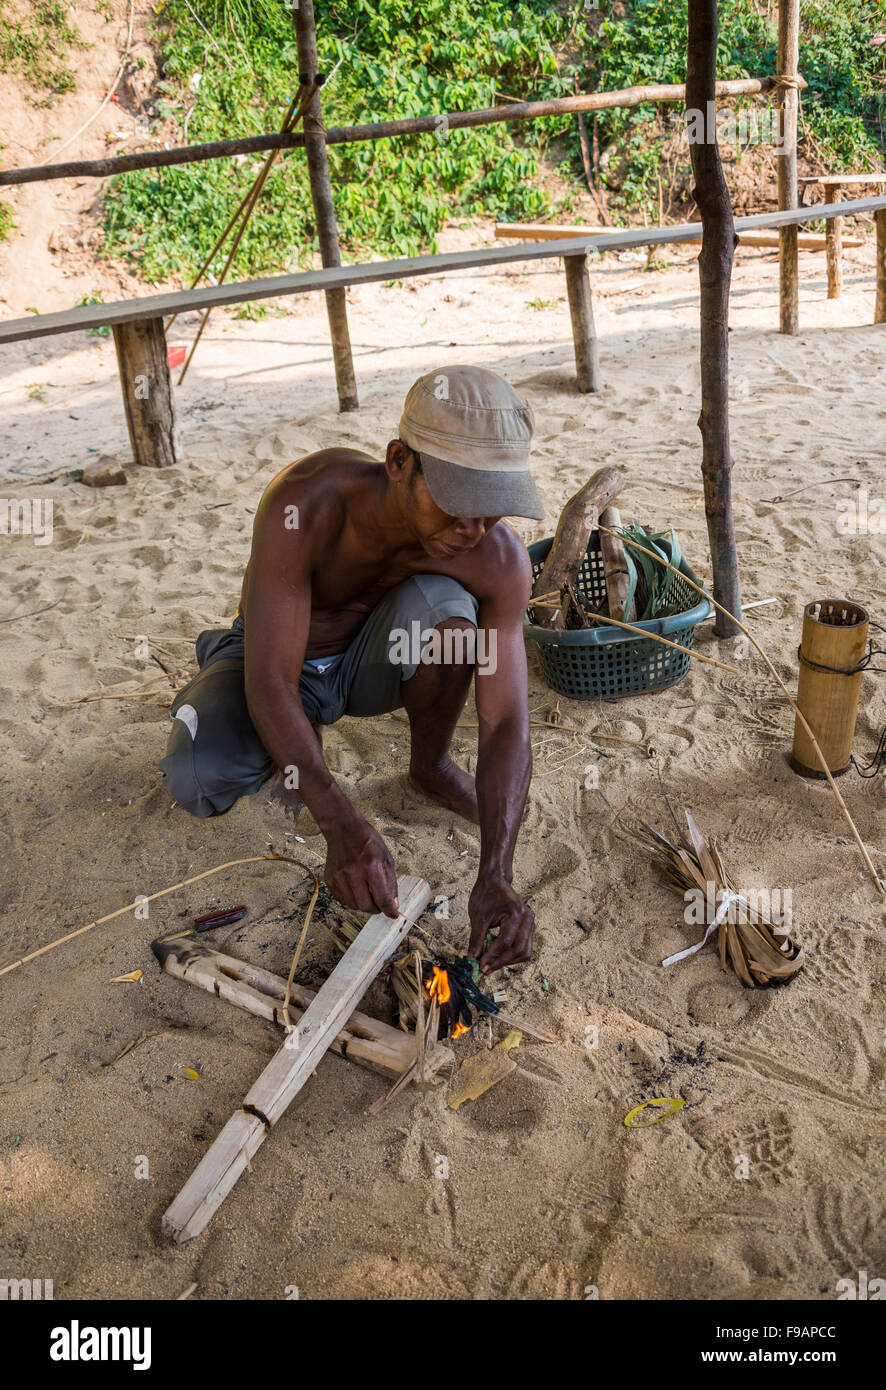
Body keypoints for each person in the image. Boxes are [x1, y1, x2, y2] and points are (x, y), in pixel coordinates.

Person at [159, 365, 544, 972]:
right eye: (456, 502)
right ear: (398, 461)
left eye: (492, 509)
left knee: (450, 626)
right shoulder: (305, 501)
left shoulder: (498, 561)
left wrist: (496, 874)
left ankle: (430, 766)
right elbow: (270, 683)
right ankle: (258, 702)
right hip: (275, 660)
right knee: (197, 779)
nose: (471, 529)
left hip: (372, 666)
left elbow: (504, 722)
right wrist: (339, 818)